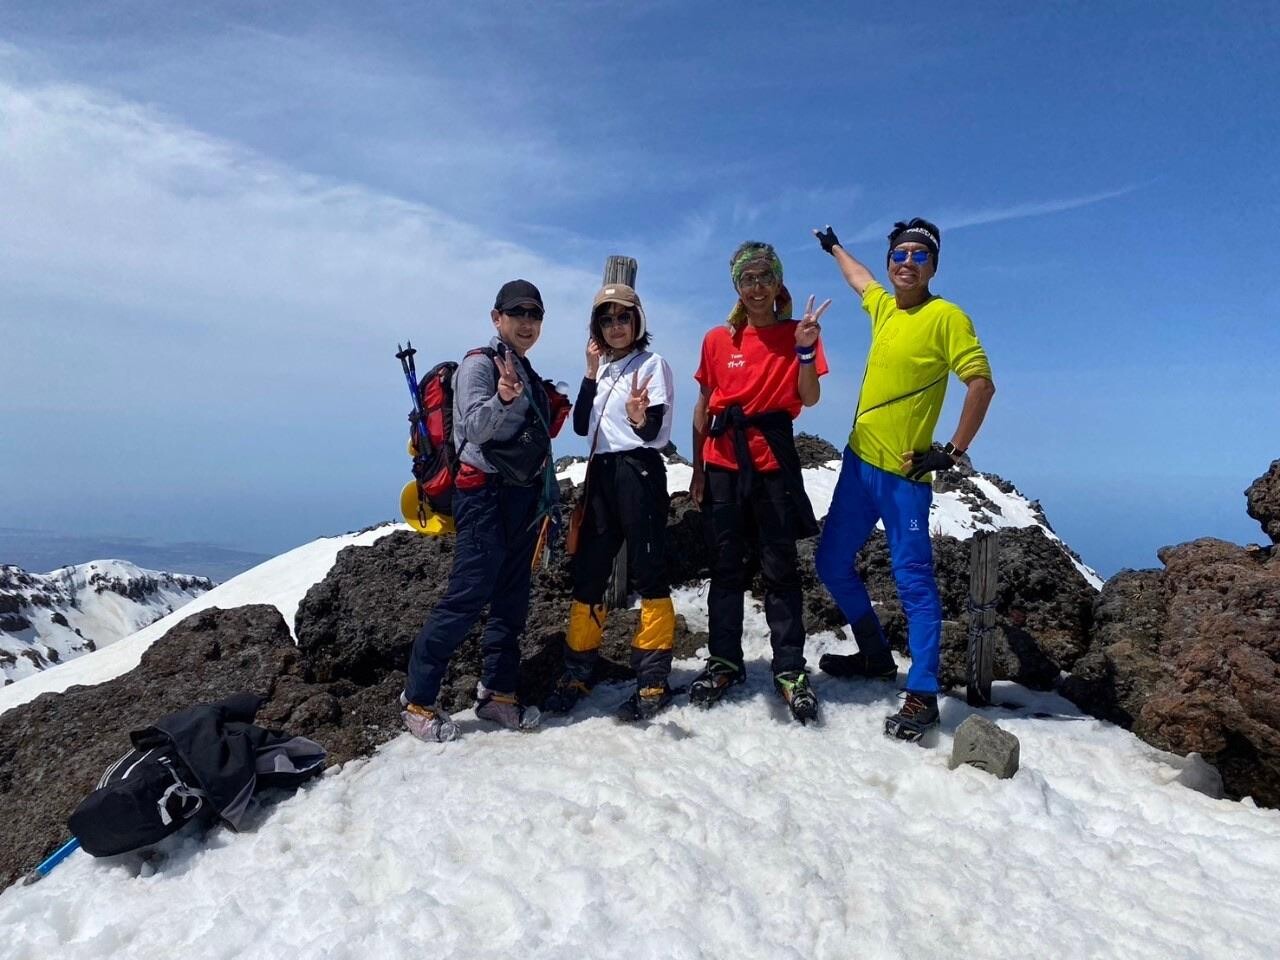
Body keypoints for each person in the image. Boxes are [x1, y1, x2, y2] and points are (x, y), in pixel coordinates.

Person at [811, 219, 995, 741]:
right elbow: (859, 279)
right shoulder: (885, 307)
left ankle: (922, 692)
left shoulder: (947, 317)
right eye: (900, 254)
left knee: (913, 582)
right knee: (830, 562)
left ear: (933, 266)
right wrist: (834, 247)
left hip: (905, 476)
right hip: (858, 464)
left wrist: (953, 451)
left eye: (919, 256)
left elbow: (980, 383)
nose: (907, 263)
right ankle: (873, 653)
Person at [401, 279, 570, 742]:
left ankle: (497, 693)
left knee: (512, 597)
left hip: (520, 496)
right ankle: (417, 699)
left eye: (535, 315)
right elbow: (473, 427)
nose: (527, 323)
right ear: (497, 317)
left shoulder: (524, 368)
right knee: (468, 596)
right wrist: (505, 399)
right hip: (483, 495)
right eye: (517, 313)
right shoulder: (480, 364)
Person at [688, 241, 831, 723]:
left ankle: (789, 668)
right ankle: (724, 660)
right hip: (723, 461)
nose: (755, 287)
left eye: (764, 277)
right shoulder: (716, 339)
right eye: (746, 279)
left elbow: (809, 397)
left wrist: (807, 349)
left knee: (780, 569)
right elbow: (703, 405)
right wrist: (697, 468)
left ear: (778, 283)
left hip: (773, 463)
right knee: (725, 567)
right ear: (736, 285)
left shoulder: (798, 333)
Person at [543, 282, 678, 721]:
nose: (616, 326)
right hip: (600, 474)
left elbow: (655, 430)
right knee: (589, 573)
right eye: (607, 319)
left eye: (623, 317)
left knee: (649, 572)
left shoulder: (652, 365)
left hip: (639, 471)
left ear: (638, 321)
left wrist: (641, 417)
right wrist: (587, 374)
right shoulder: (601, 369)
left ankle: (653, 678)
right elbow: (582, 425)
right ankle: (578, 669)